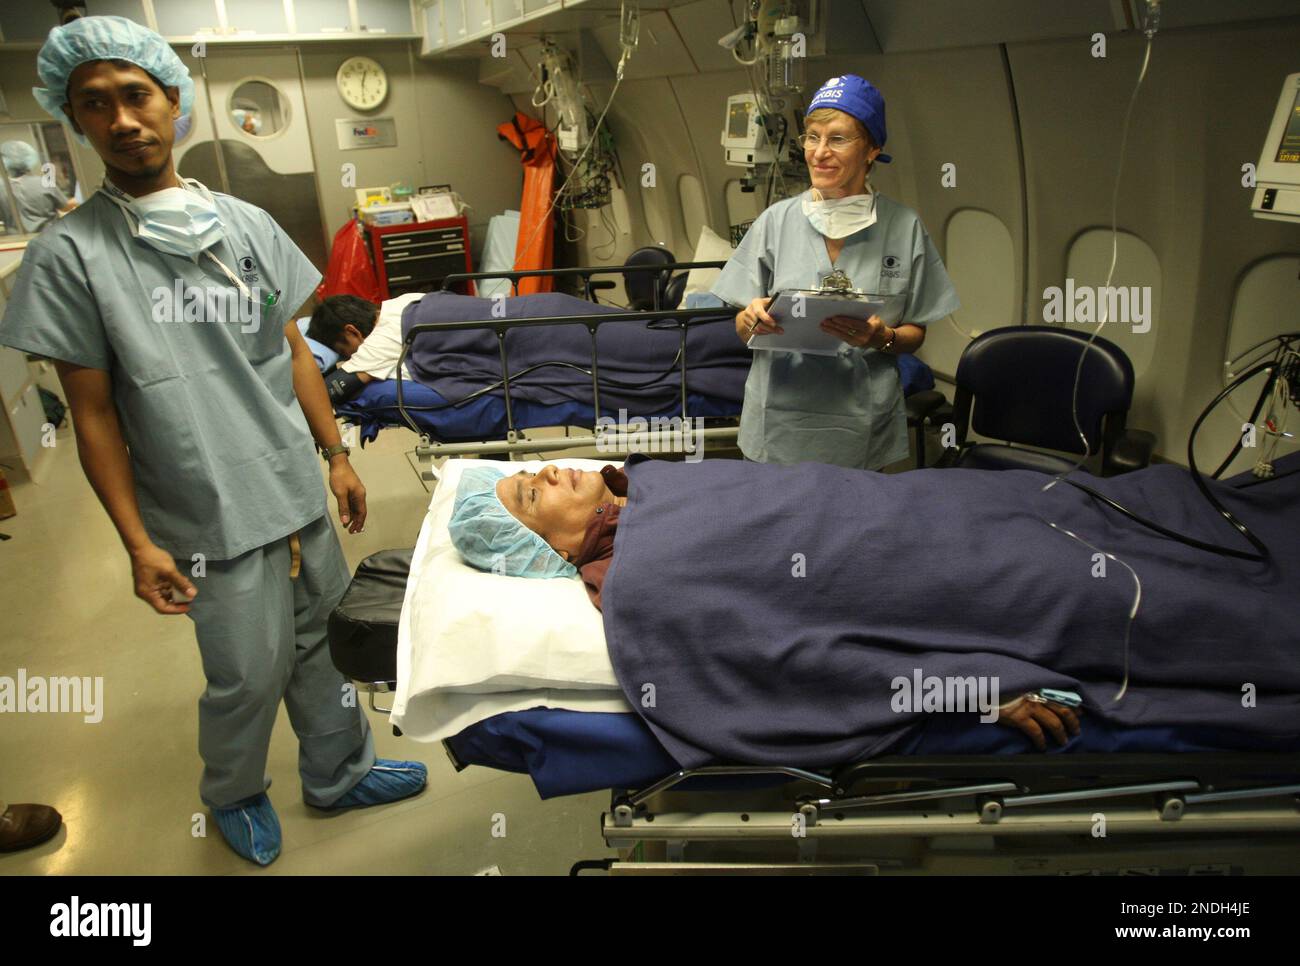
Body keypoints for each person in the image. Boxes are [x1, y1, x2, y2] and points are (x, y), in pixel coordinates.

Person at [0, 16, 426, 867]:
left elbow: (291, 349)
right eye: (95, 104)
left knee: (328, 643)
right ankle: (232, 792)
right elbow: (91, 414)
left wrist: (336, 452)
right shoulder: (70, 256)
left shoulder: (244, 224)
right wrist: (136, 541)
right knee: (245, 672)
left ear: (172, 103)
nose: (122, 119)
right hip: (204, 508)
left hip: (292, 483)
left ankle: (339, 772)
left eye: (135, 96)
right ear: (75, 121)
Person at [446, 461, 1081, 751]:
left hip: (938, 503)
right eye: (532, 495)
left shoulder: (644, 483)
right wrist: (969, 693)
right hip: (962, 581)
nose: (552, 471)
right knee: (1115, 585)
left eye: (535, 470)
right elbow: (803, 669)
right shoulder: (640, 586)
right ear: (540, 548)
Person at [713, 74, 960, 469]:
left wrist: (883, 337)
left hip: (859, 424)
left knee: (852, 524)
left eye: (838, 139)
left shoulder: (904, 227)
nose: (819, 152)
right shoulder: (775, 222)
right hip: (779, 421)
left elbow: (914, 333)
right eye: (812, 137)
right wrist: (749, 320)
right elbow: (743, 328)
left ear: (872, 150)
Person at [306, 292, 422, 402]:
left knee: (367, 393)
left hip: (439, 394)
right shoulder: (406, 299)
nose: (348, 359)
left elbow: (319, 395)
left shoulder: (377, 344)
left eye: (342, 352)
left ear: (352, 332)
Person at [1, 139, 77, 233]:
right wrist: (79, 198)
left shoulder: (2, 187)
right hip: (49, 236)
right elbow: (65, 207)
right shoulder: (42, 183)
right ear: (30, 159)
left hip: (16, 241)